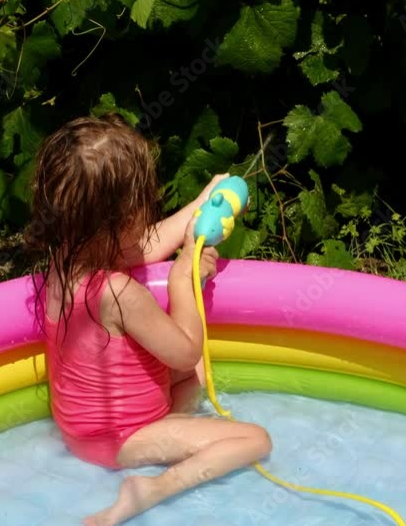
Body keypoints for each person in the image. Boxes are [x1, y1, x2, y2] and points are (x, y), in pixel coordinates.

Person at [23, 113, 272, 525]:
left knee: (195, 377)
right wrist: (182, 276)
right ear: (120, 220)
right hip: (121, 440)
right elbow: (185, 350)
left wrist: (200, 205)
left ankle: (170, 429)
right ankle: (152, 489)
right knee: (253, 439)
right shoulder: (120, 294)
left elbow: (143, 246)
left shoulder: (63, 263)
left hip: (79, 430)